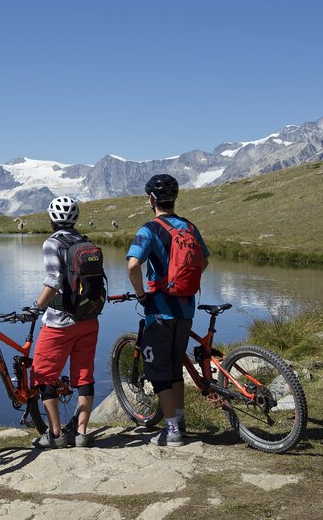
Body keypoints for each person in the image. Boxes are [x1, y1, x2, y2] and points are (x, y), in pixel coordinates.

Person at [126, 174, 210, 447]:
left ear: (151, 200)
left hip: (160, 311)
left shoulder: (149, 229)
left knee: (159, 371)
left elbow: (132, 265)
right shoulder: (190, 227)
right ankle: (181, 421)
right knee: (176, 367)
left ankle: (173, 431)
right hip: (186, 309)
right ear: (174, 199)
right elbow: (204, 260)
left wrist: (142, 294)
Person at [23, 196, 99, 449]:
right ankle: (82, 434)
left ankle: (55, 434)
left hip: (60, 322)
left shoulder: (52, 243)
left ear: (52, 219)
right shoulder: (85, 242)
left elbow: (54, 279)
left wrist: (36, 307)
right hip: (88, 319)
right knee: (85, 375)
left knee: (44, 375)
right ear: (75, 218)